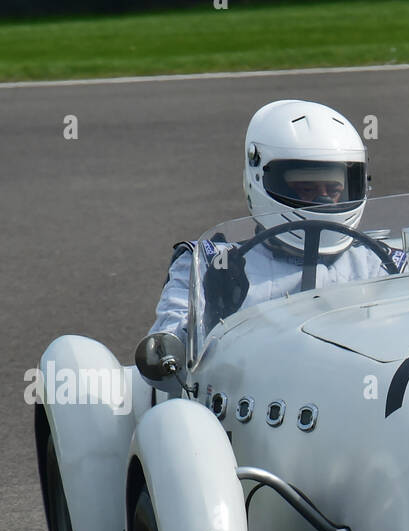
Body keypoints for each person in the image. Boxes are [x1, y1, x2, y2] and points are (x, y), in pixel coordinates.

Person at [149, 100, 392, 349]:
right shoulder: (208, 266)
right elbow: (162, 366)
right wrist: (212, 315)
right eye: (307, 189)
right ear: (258, 179)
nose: (323, 202)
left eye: (333, 189)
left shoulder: (380, 267)